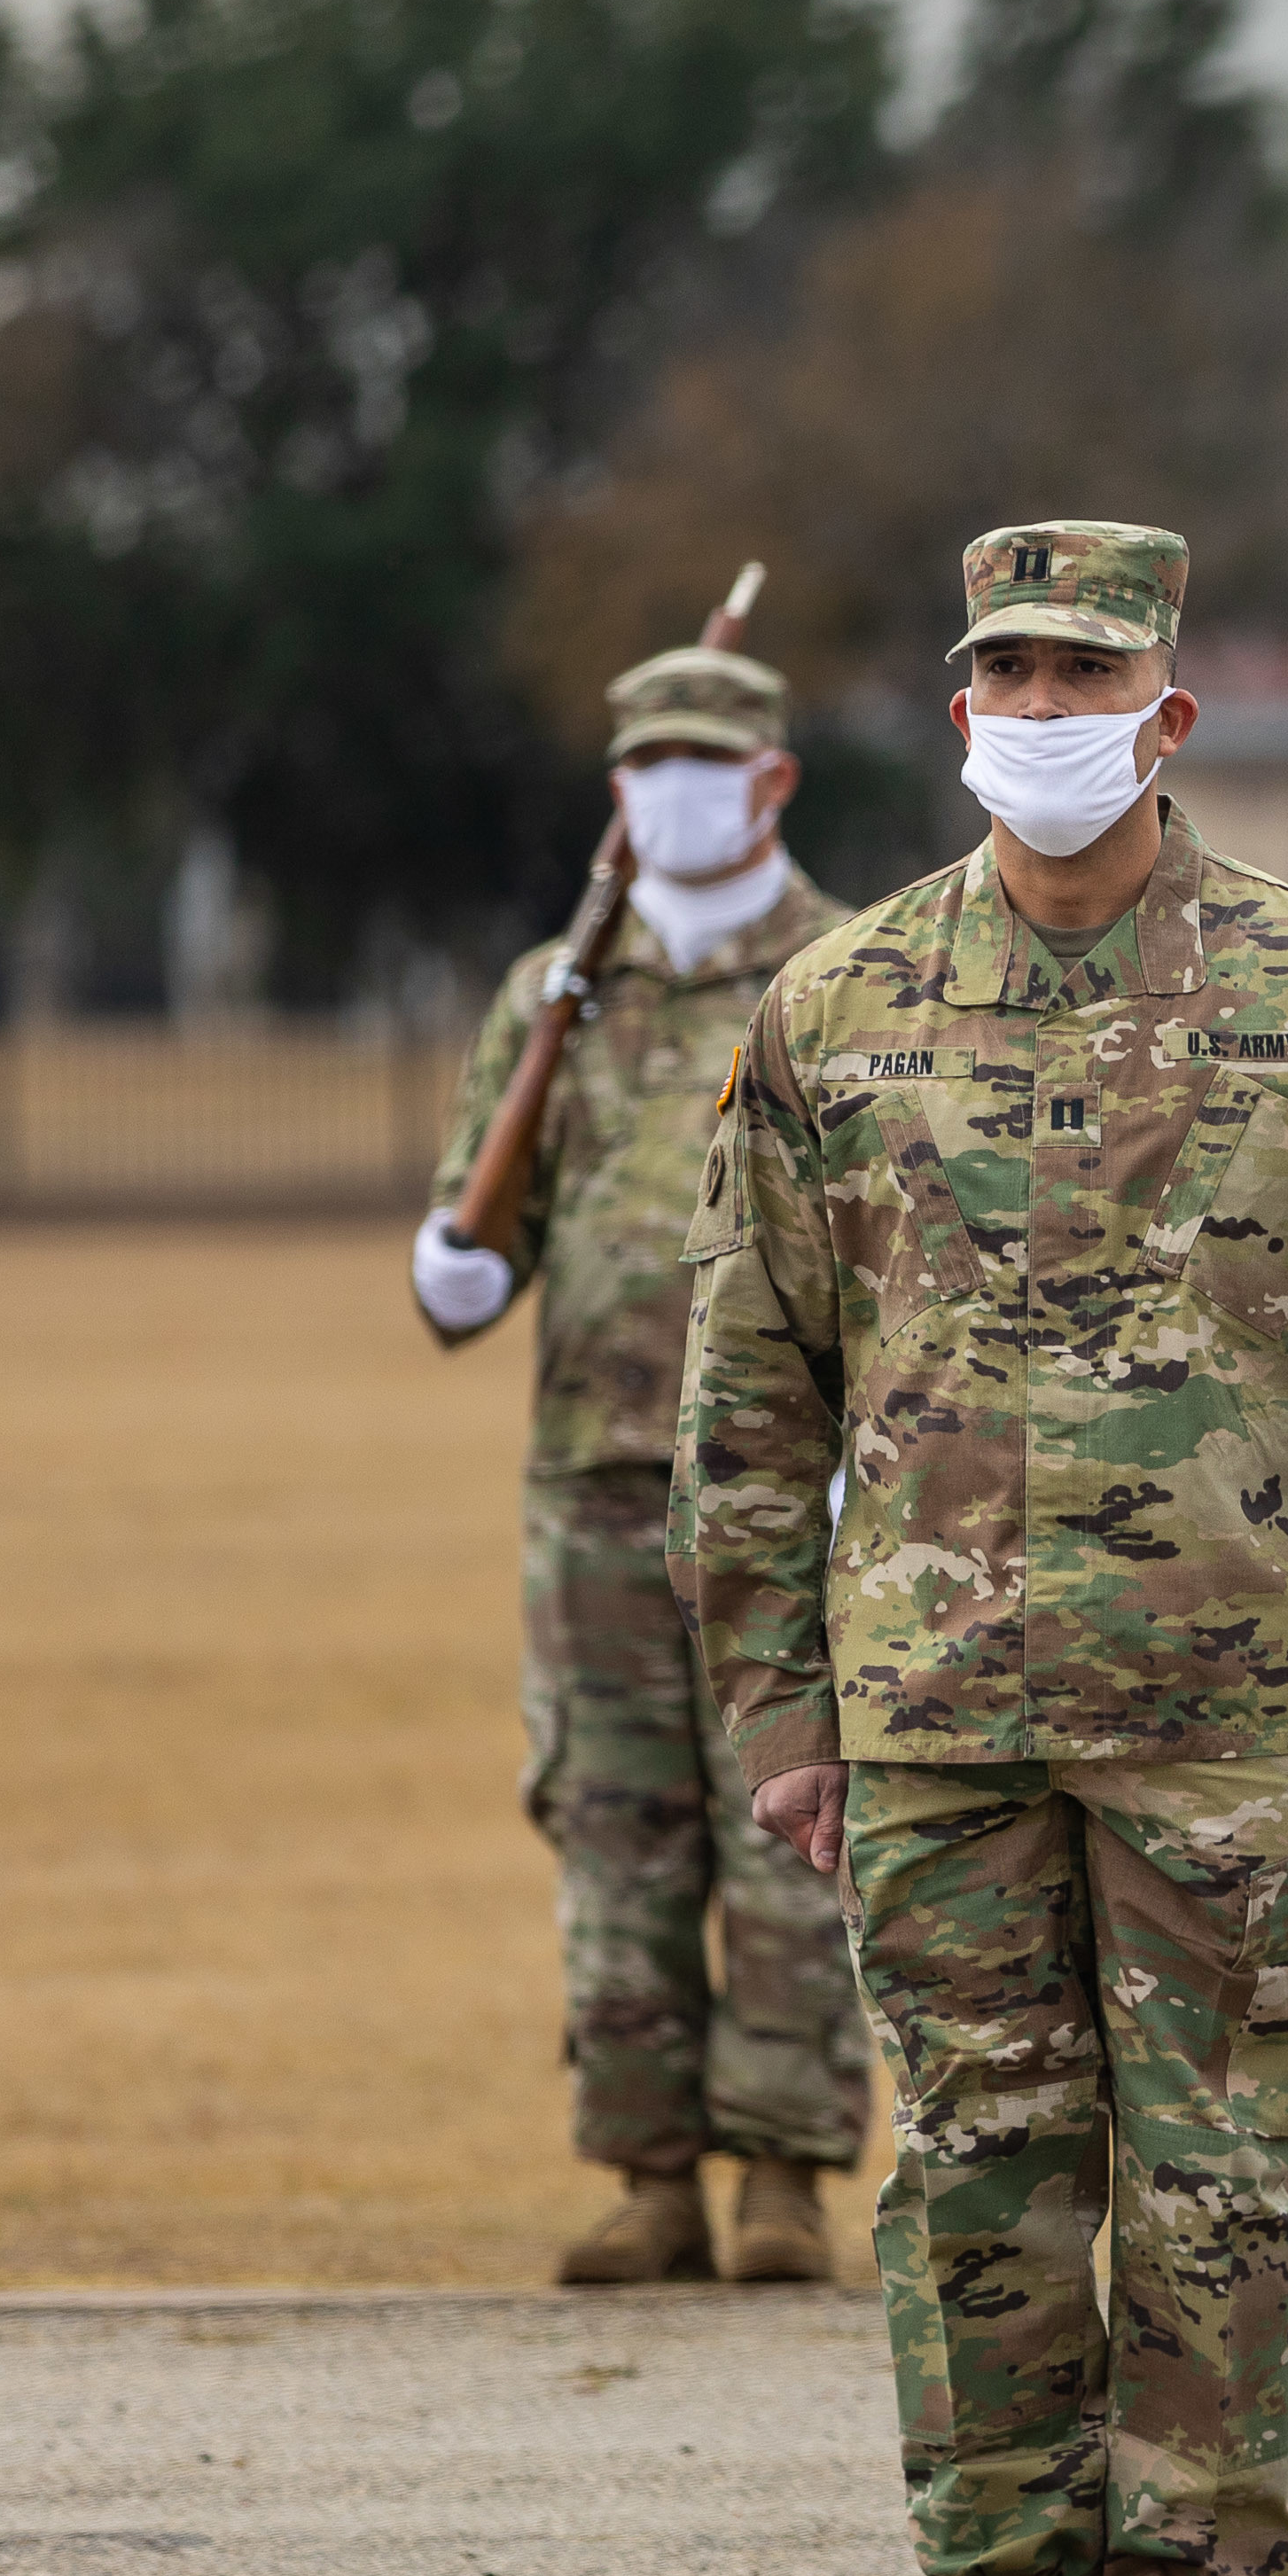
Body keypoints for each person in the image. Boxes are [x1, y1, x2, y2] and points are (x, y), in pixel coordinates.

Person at [678, 519, 1288, 2576]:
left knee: (1216, 2177)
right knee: (975, 2170)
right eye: (1005, 676)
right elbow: (744, 1392)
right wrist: (777, 1714)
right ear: (957, 714)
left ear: (1171, 718)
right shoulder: (832, 1010)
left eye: (1088, 677)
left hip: (1229, 1713)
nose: (1040, 714)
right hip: (933, 1713)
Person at [414, 647, 868, 2288]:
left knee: (796, 1826)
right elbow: (479, 1236)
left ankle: (786, 2183)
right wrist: (453, 1261)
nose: (677, 787)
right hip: (595, 1488)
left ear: (772, 780)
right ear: (619, 796)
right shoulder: (561, 988)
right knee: (614, 1826)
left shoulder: (842, 976)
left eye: (709, 757)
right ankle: (650, 2174)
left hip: (790, 1489)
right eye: (649, 762)